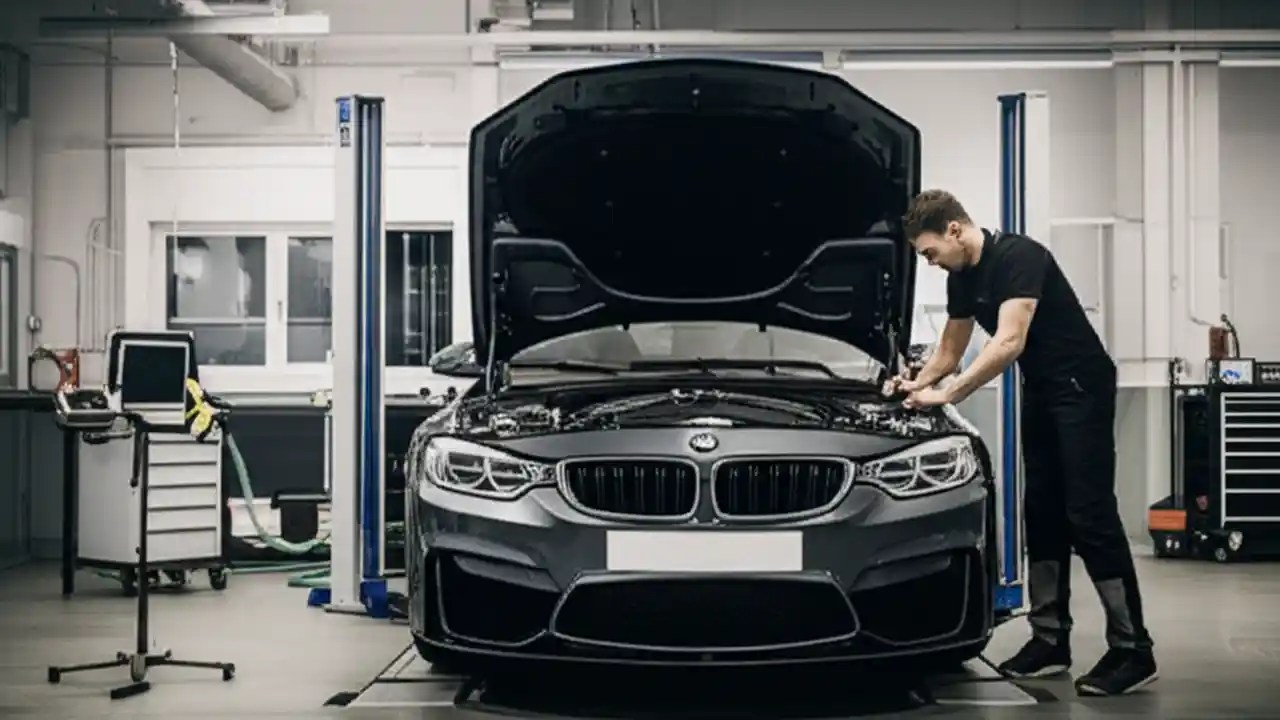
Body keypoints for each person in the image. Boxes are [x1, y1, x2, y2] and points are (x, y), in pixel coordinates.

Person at [884, 189, 1157, 697]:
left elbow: (1010, 341)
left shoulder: (1021, 257)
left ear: (954, 231)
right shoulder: (962, 276)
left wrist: (949, 393)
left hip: (1081, 387)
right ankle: (1050, 640)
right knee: (1043, 512)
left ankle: (1132, 649)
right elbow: (950, 347)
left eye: (930, 253)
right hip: (1043, 391)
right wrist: (918, 382)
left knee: (1090, 515)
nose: (932, 263)